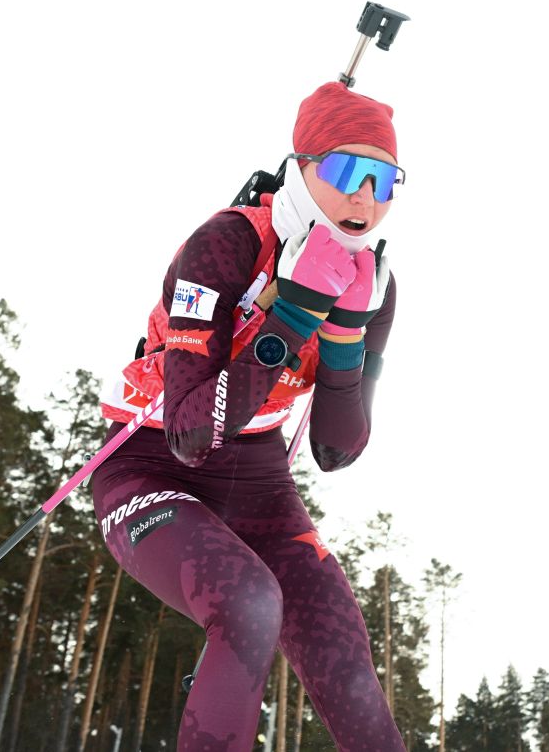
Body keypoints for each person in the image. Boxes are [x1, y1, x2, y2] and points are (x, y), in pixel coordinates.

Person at [94, 81, 406, 751]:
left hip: (260, 485)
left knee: (346, 661)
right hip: (151, 469)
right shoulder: (226, 244)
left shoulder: (373, 286)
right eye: (347, 171)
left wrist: (344, 336)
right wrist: (291, 315)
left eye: (385, 181)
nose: (365, 197)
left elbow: (336, 449)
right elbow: (189, 432)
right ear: (301, 167)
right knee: (248, 603)